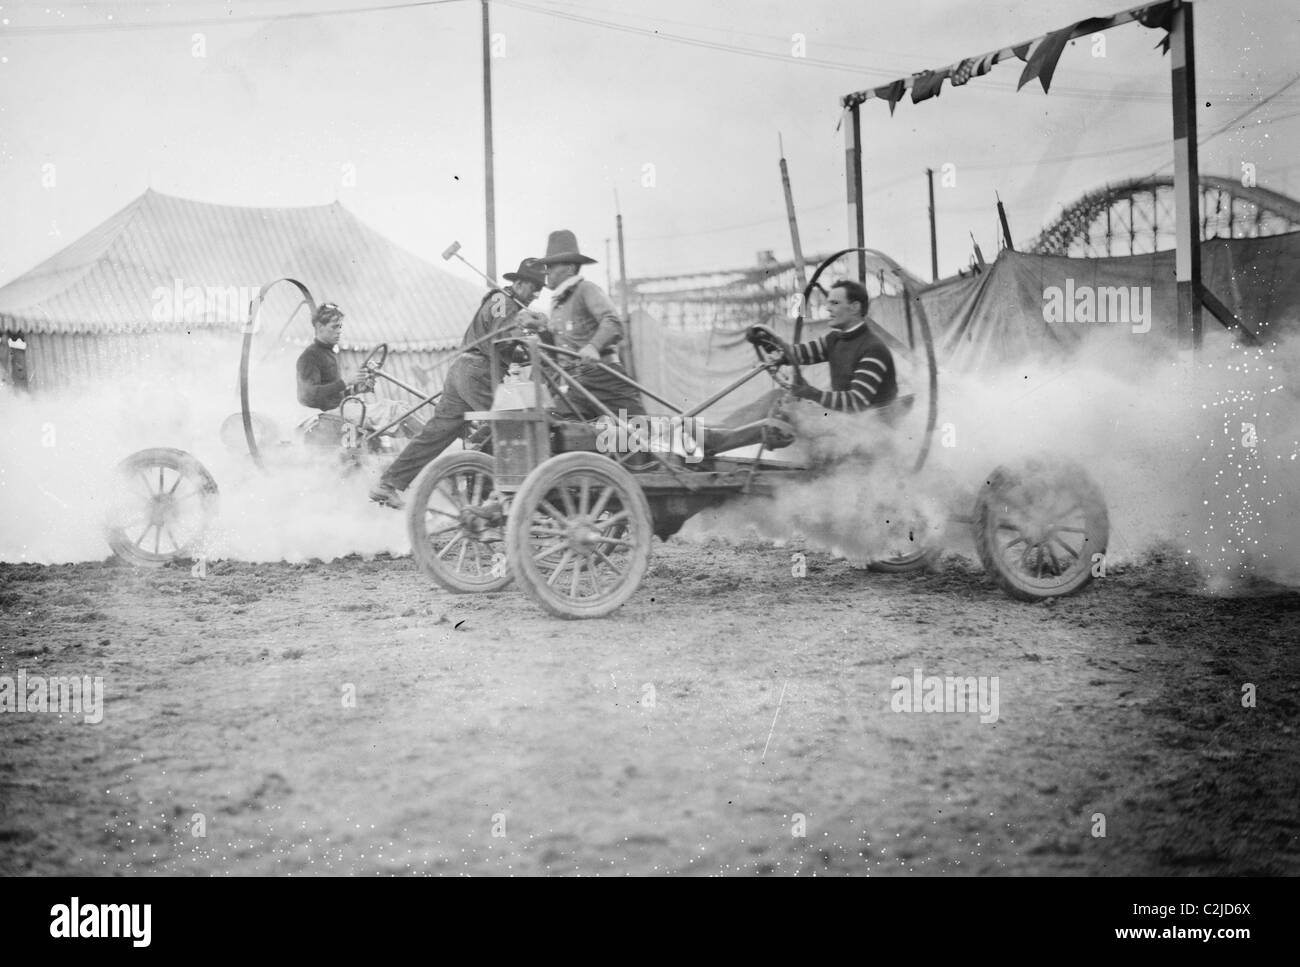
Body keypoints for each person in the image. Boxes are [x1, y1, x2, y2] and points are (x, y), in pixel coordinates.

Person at [368, 258, 548, 509]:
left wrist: (523, 340)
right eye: (534, 286)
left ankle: (388, 483)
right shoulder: (503, 302)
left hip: (462, 370)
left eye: (541, 288)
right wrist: (529, 330)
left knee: (436, 433)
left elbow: (503, 344)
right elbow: (502, 339)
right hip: (478, 371)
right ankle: (486, 491)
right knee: (513, 427)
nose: (537, 293)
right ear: (518, 283)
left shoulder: (504, 303)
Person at [706, 279, 898, 453]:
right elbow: (797, 353)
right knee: (777, 397)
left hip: (865, 430)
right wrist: (766, 342)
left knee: (785, 413)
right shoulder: (836, 339)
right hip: (842, 419)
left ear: (855, 307)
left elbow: (856, 402)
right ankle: (712, 434)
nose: (827, 308)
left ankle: (710, 445)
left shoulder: (873, 349)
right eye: (828, 302)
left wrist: (811, 393)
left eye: (835, 303)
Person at [538, 230, 645, 421]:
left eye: (551, 266)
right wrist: (541, 328)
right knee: (554, 428)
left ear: (570, 268)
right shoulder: (558, 304)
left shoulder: (586, 290)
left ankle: (708, 439)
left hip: (606, 380)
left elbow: (613, 322)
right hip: (577, 386)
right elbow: (560, 347)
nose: (547, 271)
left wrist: (593, 346)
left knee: (645, 436)